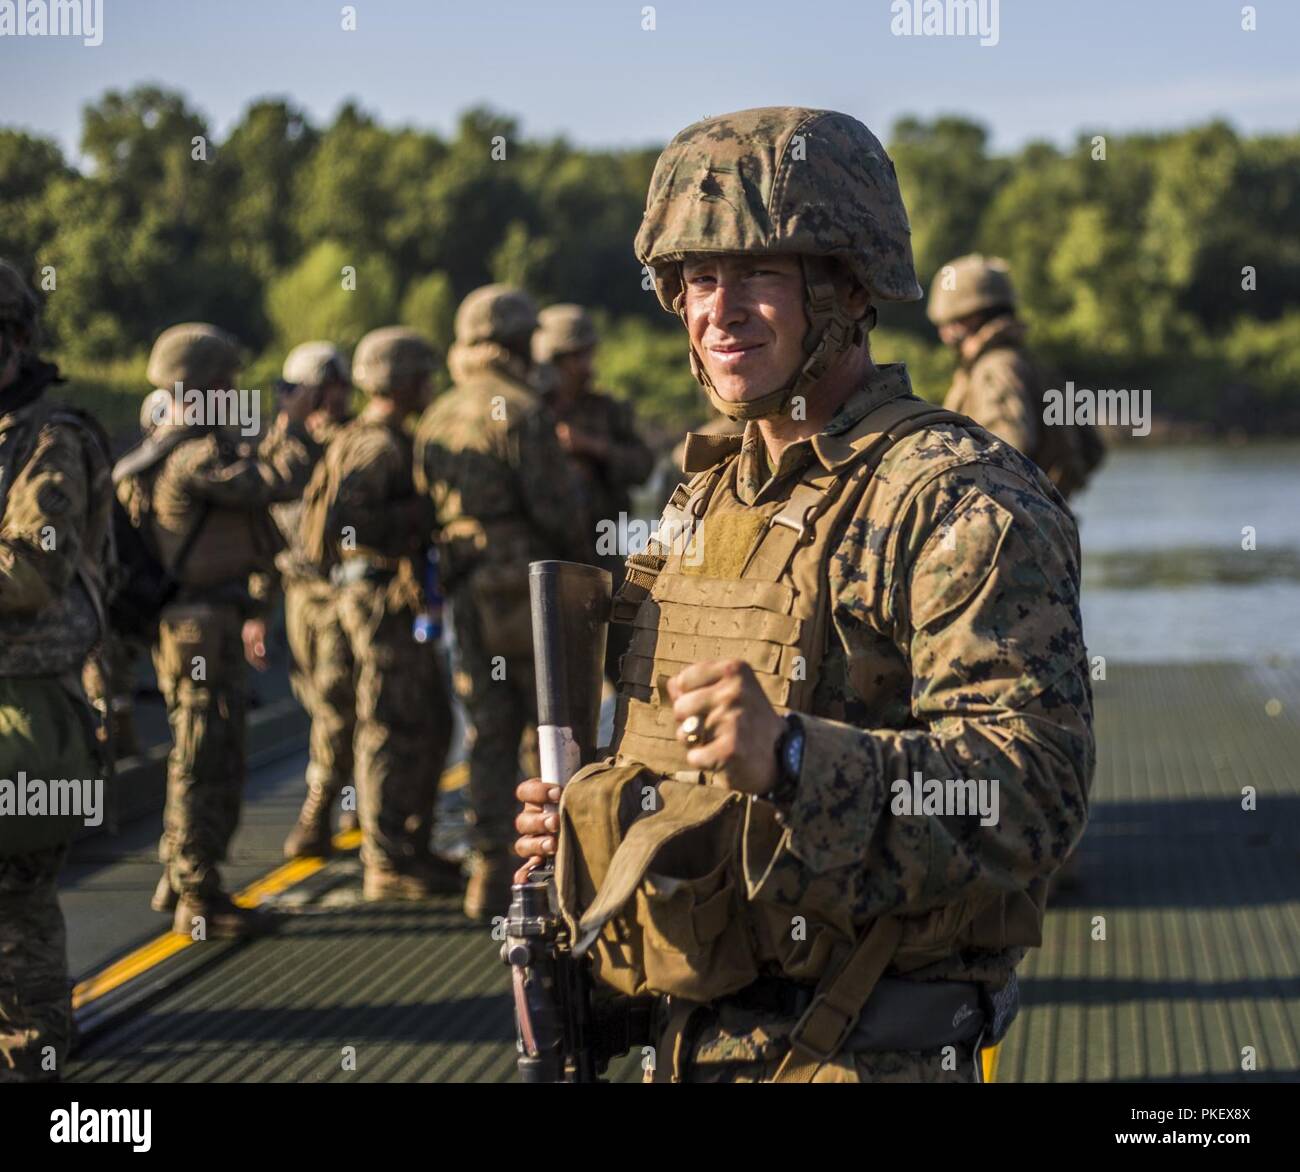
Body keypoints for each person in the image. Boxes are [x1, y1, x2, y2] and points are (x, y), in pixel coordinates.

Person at [513, 107, 1095, 1084]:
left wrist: (790, 757)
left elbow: (1035, 793)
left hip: (862, 1048)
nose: (720, 308)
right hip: (687, 1036)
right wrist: (590, 816)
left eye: (759, 274)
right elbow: (680, 765)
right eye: (698, 278)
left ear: (844, 287)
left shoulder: (951, 494)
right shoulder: (706, 491)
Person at [114, 322, 313, 935]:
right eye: (226, 383)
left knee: (207, 749)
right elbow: (280, 482)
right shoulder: (194, 455)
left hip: (202, 623)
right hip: (199, 629)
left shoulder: (168, 446)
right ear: (202, 386)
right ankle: (197, 894)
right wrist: (294, 424)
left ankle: (184, 875)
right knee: (204, 754)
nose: (236, 392)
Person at [414, 285, 591, 922]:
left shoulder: (436, 413)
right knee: (548, 725)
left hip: (465, 586)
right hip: (528, 591)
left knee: (486, 728)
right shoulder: (521, 410)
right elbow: (558, 511)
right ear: (520, 342)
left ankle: (488, 869)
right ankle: (549, 867)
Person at [0, 258, 111, 1081]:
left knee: (15, 901)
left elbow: (34, 571)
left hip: (27, 706)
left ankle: (33, 1060)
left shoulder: (49, 441)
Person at [307, 327, 457, 899]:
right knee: (393, 726)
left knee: (427, 721)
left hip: (378, 600)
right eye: (422, 374)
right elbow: (351, 522)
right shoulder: (377, 444)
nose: (429, 385)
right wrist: (420, 514)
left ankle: (407, 848)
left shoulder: (373, 436)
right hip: (377, 604)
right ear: (403, 380)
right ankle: (389, 858)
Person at [263, 341, 360, 858]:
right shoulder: (282, 448)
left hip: (341, 591)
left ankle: (319, 809)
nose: (327, 400)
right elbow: (261, 525)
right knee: (318, 699)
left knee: (336, 699)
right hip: (295, 590)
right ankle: (347, 797)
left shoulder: (351, 441)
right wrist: (257, 609)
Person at [532, 304, 654, 683]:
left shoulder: (607, 409)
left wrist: (593, 447)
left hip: (604, 555)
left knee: (626, 662)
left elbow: (643, 465)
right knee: (554, 677)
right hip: (546, 561)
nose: (587, 364)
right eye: (577, 356)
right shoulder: (530, 413)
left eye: (588, 354)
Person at [927, 254, 1103, 500]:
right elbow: (1092, 448)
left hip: (1008, 520)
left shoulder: (995, 368)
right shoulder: (1029, 363)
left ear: (968, 317)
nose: (943, 332)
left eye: (946, 323)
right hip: (1040, 521)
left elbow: (1008, 448)